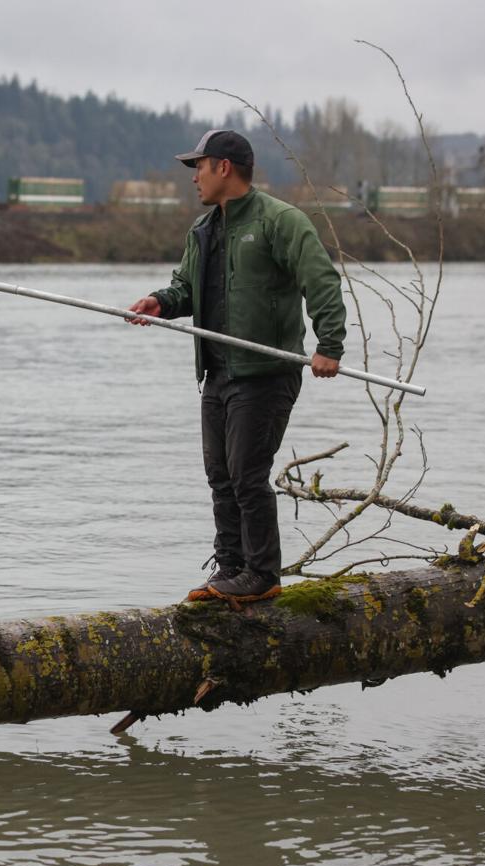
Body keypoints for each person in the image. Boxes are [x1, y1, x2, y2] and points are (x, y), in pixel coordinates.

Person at [127, 129, 347, 601]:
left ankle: (262, 575)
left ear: (223, 167)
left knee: (247, 475)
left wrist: (330, 344)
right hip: (217, 373)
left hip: (265, 375)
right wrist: (161, 302)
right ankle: (229, 568)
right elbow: (186, 288)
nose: (194, 179)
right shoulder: (202, 230)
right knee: (220, 476)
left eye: (199, 168)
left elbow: (321, 279)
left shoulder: (280, 221)